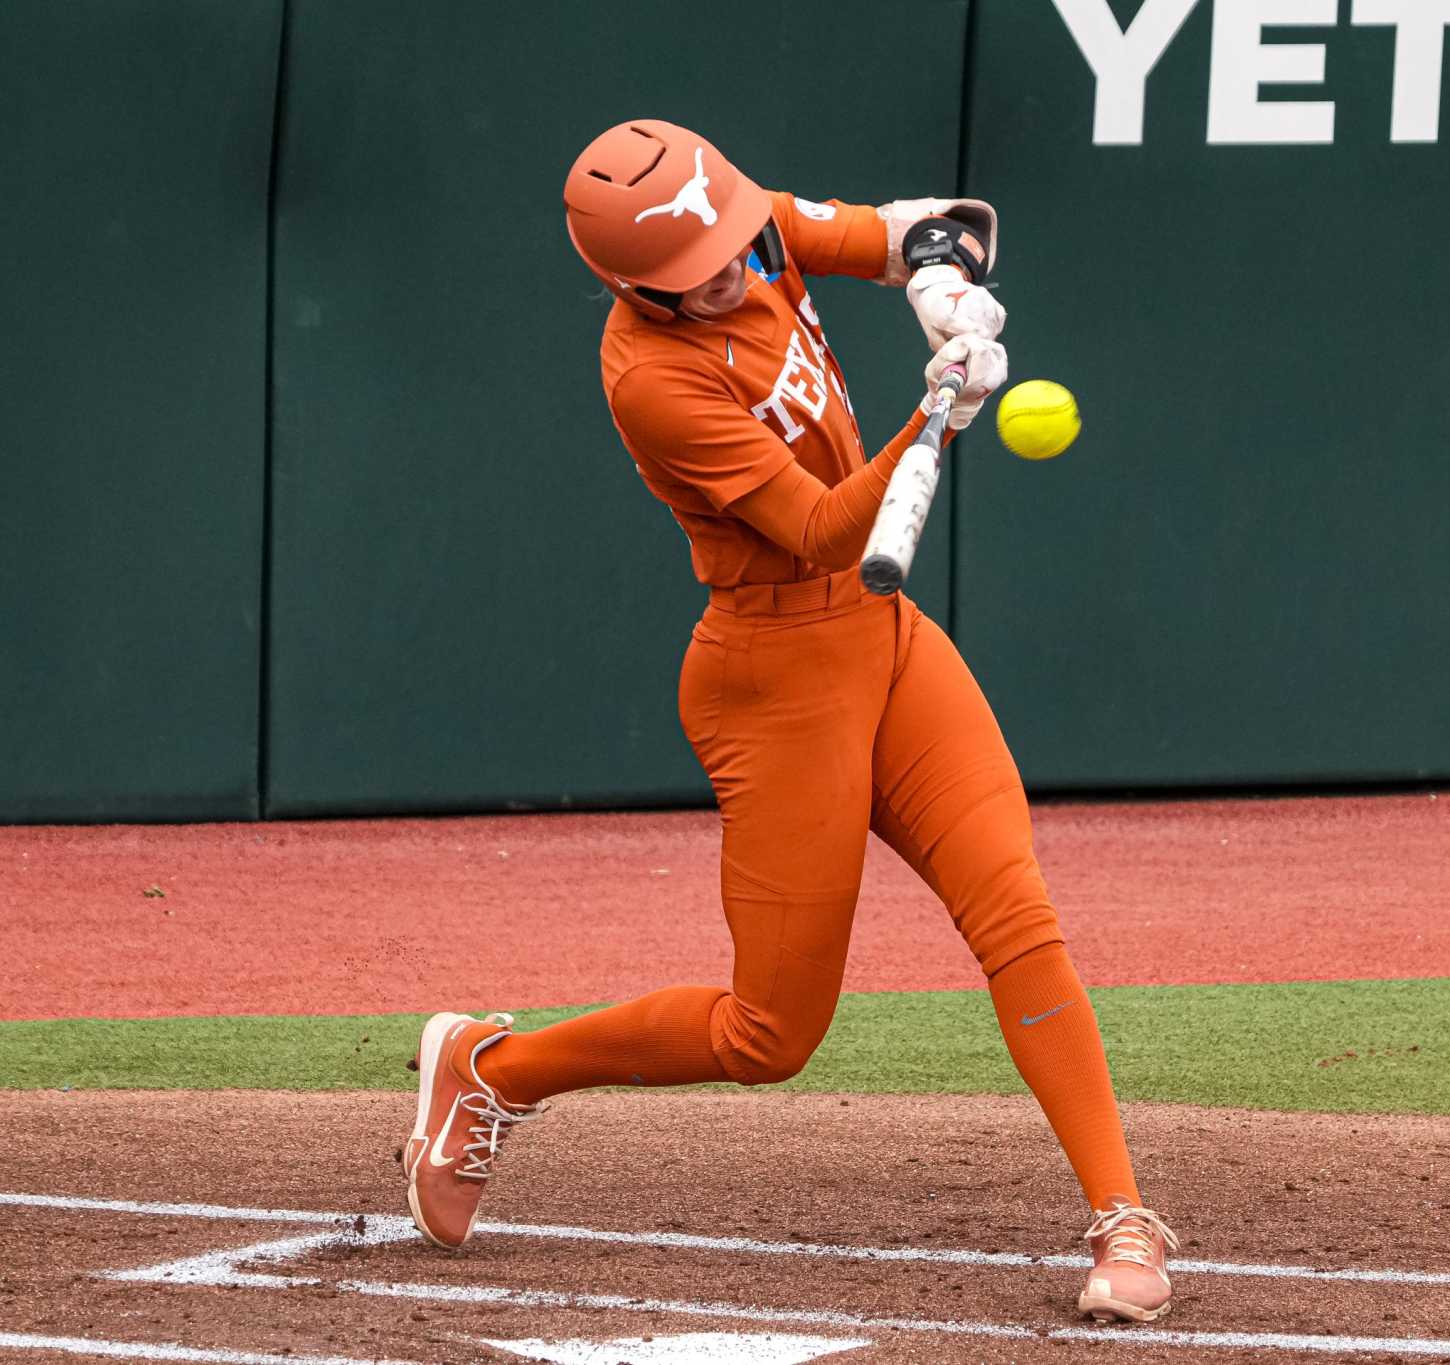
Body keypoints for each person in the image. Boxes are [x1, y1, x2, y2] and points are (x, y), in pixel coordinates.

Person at [397, 120, 1178, 1325]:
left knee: (1015, 911)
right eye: (693, 272)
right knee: (768, 1034)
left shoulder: (744, 221)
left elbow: (920, 224)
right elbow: (820, 530)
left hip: (883, 645)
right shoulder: (651, 382)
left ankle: (1124, 1218)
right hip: (771, 678)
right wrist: (937, 413)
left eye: (726, 244)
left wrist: (938, 286)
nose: (726, 270)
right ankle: (491, 1070)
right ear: (625, 285)